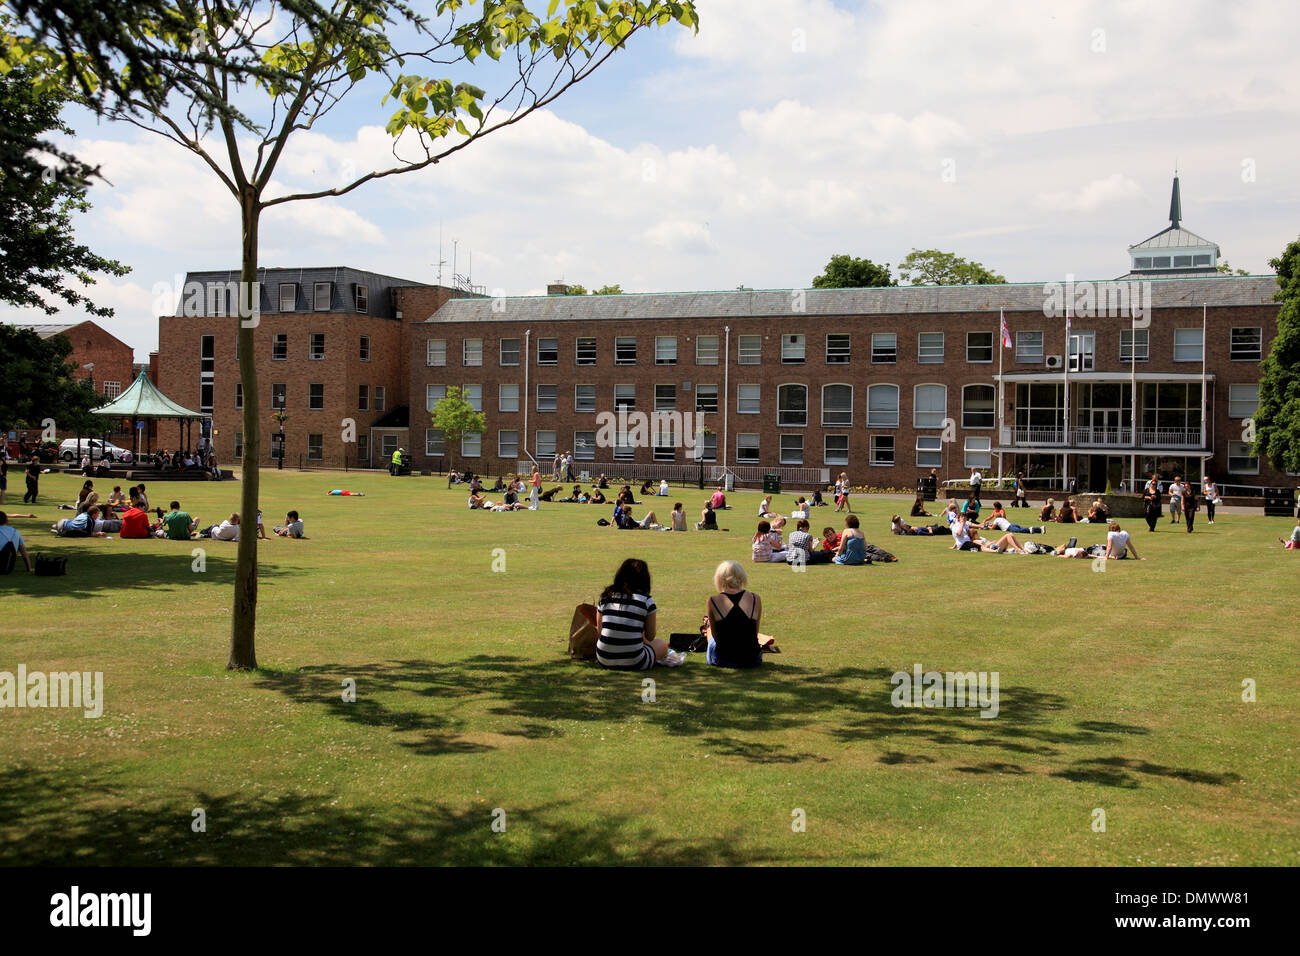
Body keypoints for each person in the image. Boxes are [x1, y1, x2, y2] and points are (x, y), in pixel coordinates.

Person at [594, 558, 667, 670]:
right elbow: (651, 636)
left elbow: (600, 631)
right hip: (636, 661)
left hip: (604, 658)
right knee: (662, 644)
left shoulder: (605, 597)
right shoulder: (646, 600)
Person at [704, 561, 766, 668]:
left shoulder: (713, 601)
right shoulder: (756, 598)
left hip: (723, 659)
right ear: (742, 577)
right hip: (752, 659)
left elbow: (716, 636)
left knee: (709, 631)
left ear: (719, 578)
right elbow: (754, 632)